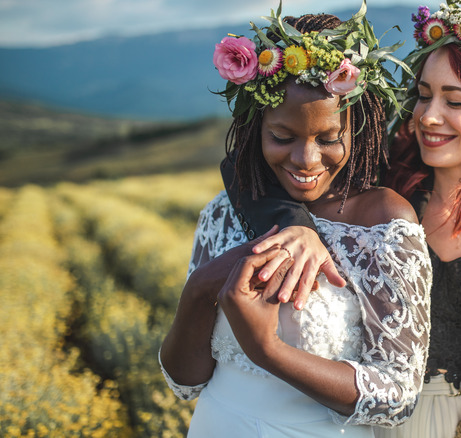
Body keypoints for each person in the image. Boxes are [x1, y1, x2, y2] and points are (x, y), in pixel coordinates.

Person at [223, 1, 461, 437]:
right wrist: (298, 225)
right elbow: (244, 165)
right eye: (424, 95)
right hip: (366, 420)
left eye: (455, 100)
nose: (428, 116)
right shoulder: (373, 181)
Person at [159, 8, 432, 437]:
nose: (306, 160)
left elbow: (398, 397)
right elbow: (183, 382)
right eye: (282, 137)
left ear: (357, 129)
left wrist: (267, 350)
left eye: (329, 138)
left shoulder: (384, 224)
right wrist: (200, 290)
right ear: (255, 129)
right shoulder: (221, 212)